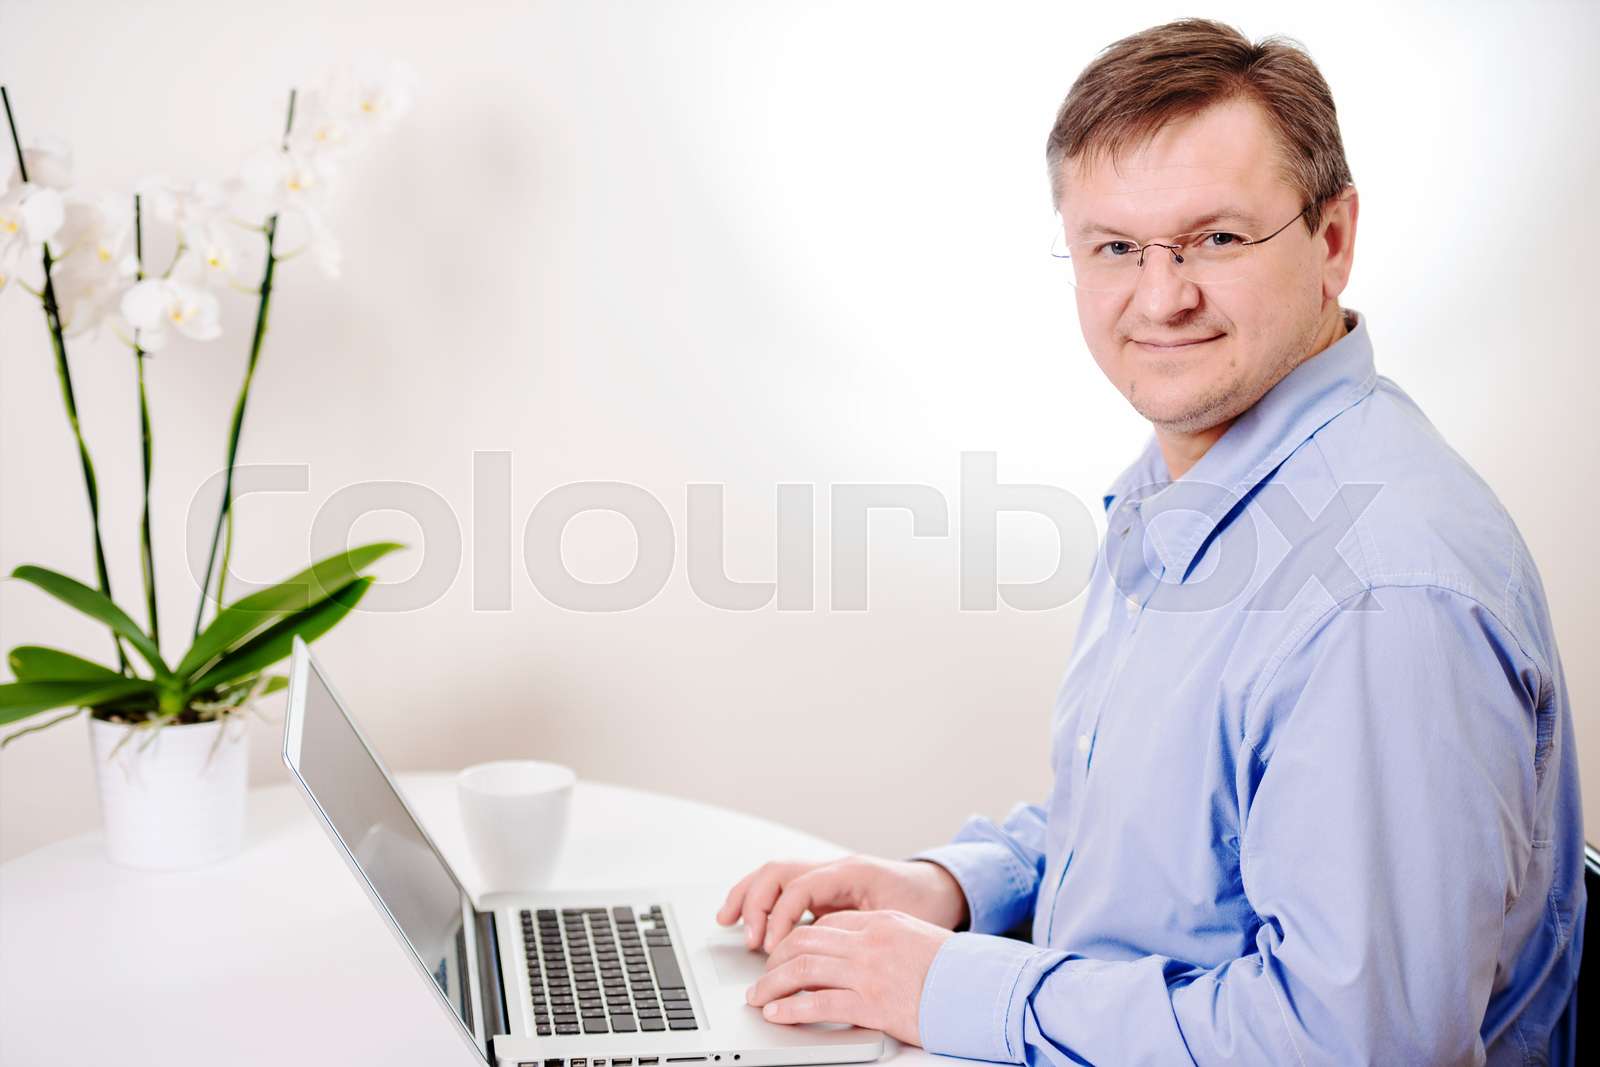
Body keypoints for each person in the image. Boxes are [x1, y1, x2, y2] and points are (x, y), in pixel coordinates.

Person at [715, 17, 1584, 1065]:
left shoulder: (1379, 598)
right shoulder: (1194, 486)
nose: (1160, 296)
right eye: (1115, 248)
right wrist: (950, 888)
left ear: (1333, 240)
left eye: (1215, 238)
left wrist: (956, 988)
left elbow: (1357, 1045)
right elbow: (1175, 846)